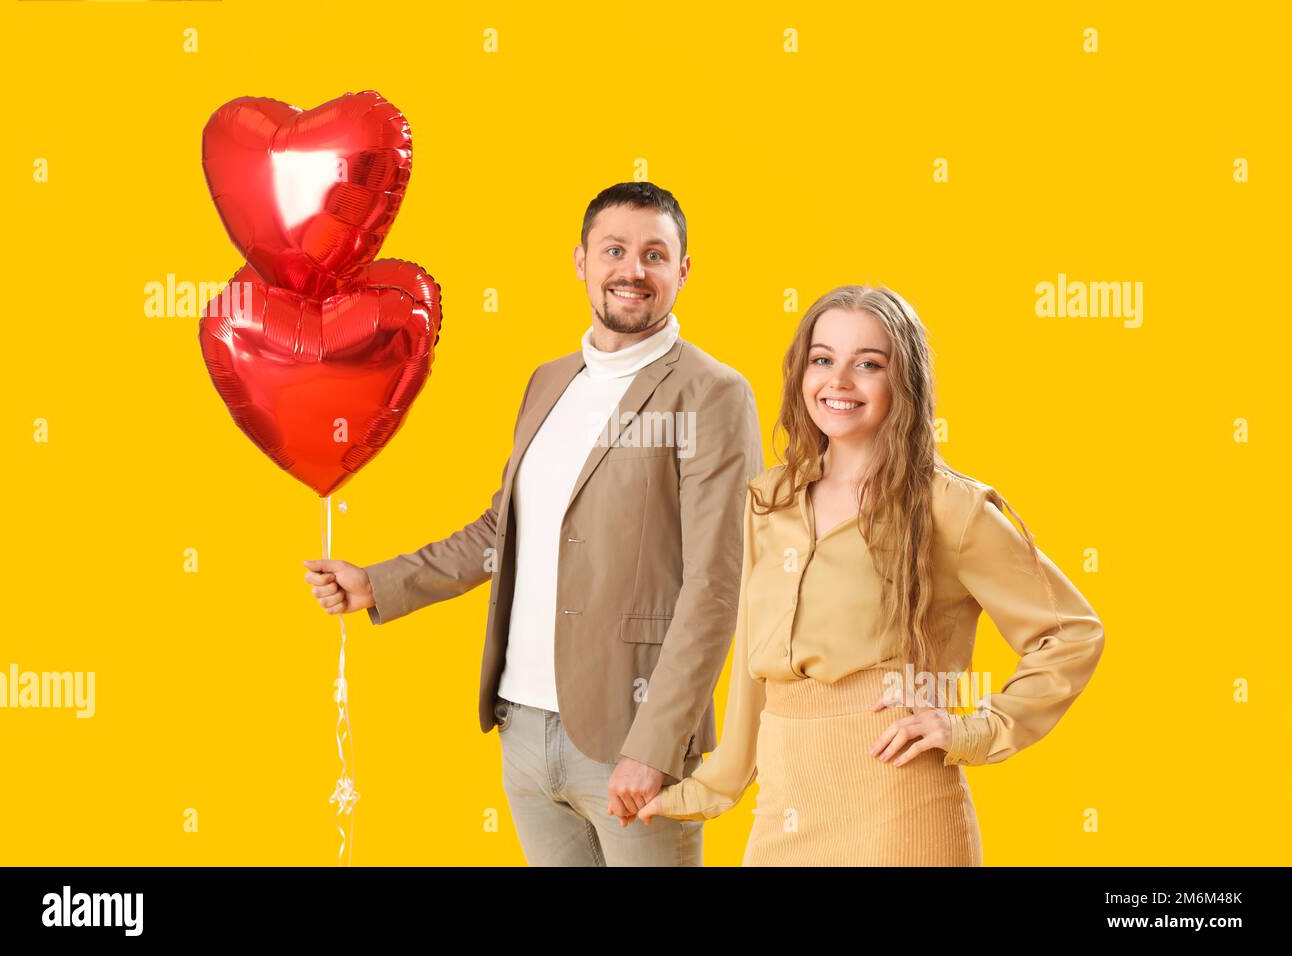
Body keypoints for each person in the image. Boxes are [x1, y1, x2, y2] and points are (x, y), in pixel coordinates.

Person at [302, 182, 763, 866]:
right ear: (581, 261)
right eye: (614, 250)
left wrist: (656, 743)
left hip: (631, 741)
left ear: (683, 271)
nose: (631, 270)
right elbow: (502, 531)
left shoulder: (714, 393)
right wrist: (377, 583)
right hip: (522, 730)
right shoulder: (548, 381)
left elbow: (716, 587)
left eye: (654, 254)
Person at [635, 284, 1105, 866]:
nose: (839, 381)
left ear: (902, 382)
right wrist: (714, 786)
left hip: (899, 810)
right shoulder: (769, 499)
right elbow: (753, 668)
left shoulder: (949, 507)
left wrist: (975, 729)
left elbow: (1072, 633)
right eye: (823, 359)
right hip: (784, 810)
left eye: (868, 365)